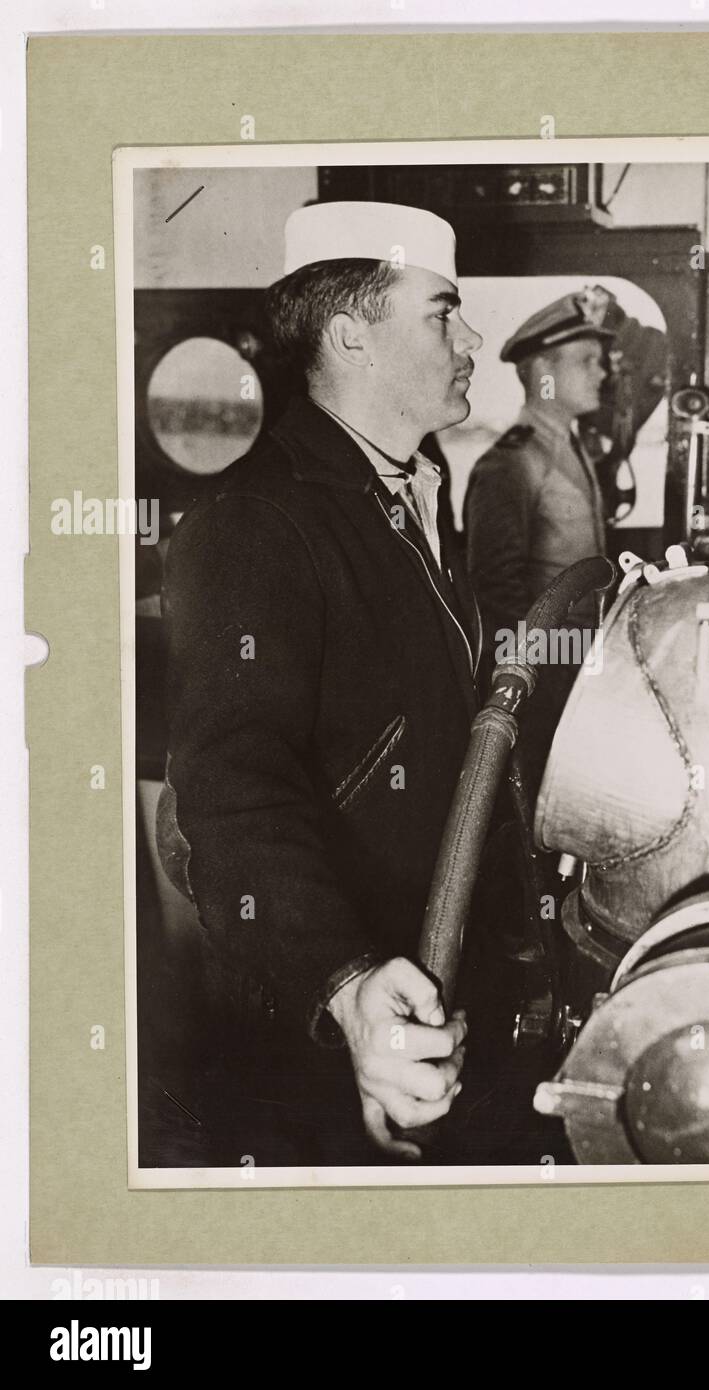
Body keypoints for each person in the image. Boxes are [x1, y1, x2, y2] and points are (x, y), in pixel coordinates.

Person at [158, 201, 487, 1166]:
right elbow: (231, 793)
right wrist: (345, 985)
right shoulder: (251, 523)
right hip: (326, 1034)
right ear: (354, 336)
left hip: (440, 970)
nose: (471, 340)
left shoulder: (417, 484)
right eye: (442, 313)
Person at [462, 291, 616, 784]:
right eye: (588, 361)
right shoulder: (513, 461)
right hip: (546, 670)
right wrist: (532, 681)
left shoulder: (570, 446)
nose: (603, 372)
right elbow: (494, 586)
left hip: (578, 659)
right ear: (543, 372)